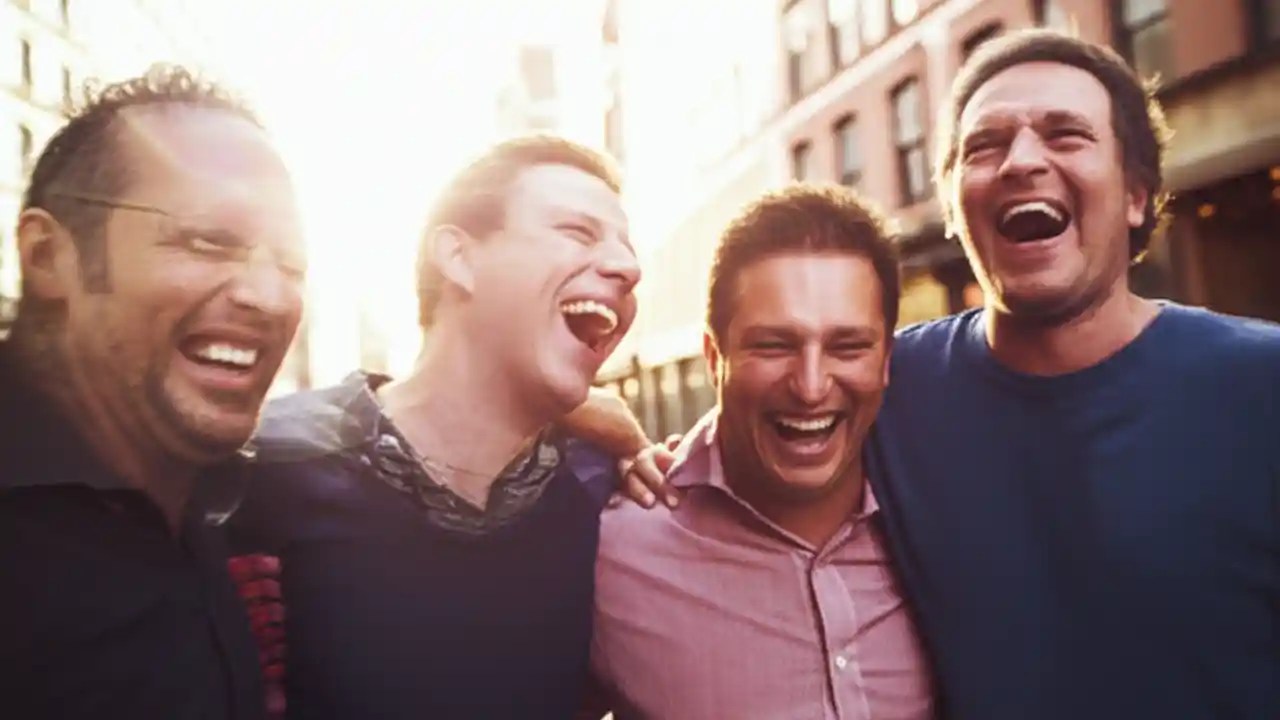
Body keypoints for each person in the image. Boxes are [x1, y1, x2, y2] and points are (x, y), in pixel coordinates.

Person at [605, 30, 1280, 719]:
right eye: (985, 145)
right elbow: (748, 421)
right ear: (954, 210)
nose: (1022, 160)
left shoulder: (1260, 385)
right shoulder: (889, 383)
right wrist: (598, 423)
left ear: (1137, 195)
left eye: (1065, 134)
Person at [226, 135, 642, 720]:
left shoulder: (606, 491)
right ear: (458, 257)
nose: (629, 268)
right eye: (577, 231)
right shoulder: (270, 467)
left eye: (627, 247)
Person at [0, 66, 306, 719]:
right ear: (49, 256)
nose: (270, 296)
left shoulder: (239, 503)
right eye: (208, 241)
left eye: (292, 264)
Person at [586, 185, 934, 720]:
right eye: (774, 345)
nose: (812, 386)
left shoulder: (940, 514)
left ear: (886, 360)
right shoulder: (611, 553)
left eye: (847, 347)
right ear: (713, 357)